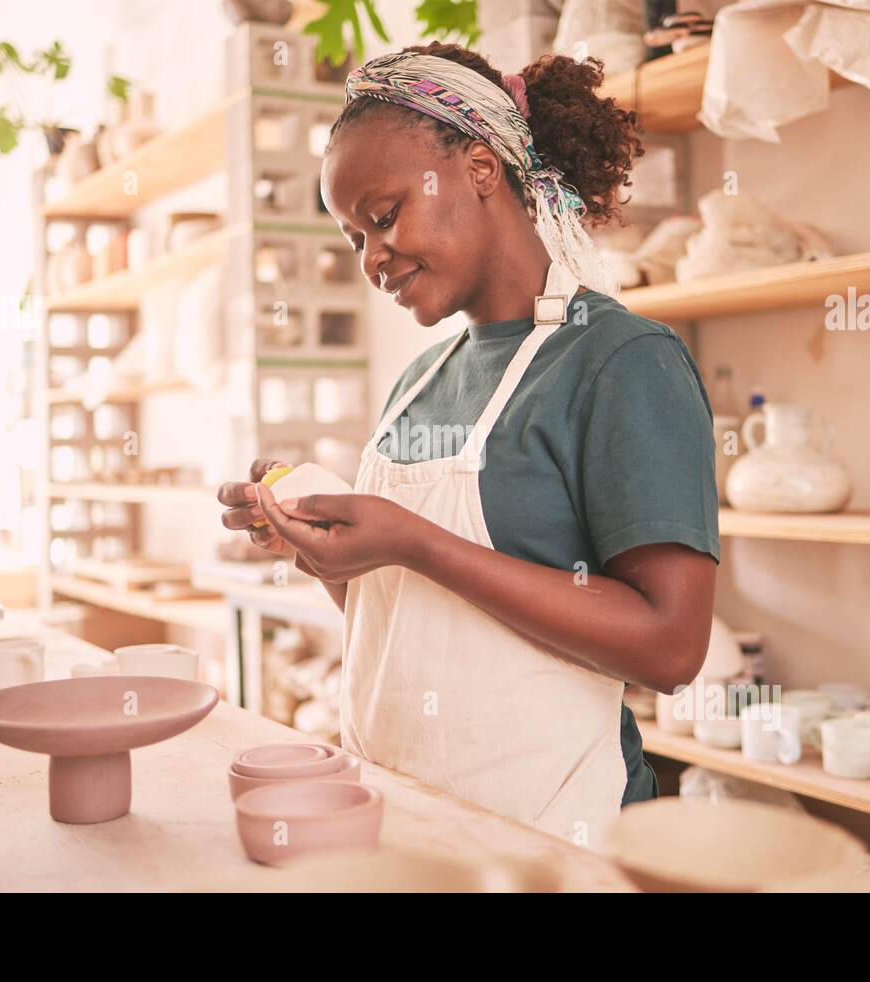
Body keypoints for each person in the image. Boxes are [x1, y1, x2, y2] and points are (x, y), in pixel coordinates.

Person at [219, 42, 719, 848]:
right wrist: (324, 555)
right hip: (405, 829)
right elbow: (410, 620)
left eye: (384, 216)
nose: (372, 257)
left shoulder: (620, 361)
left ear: (481, 168)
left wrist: (415, 541)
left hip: (555, 839)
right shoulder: (421, 379)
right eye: (353, 239)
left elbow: (671, 645)